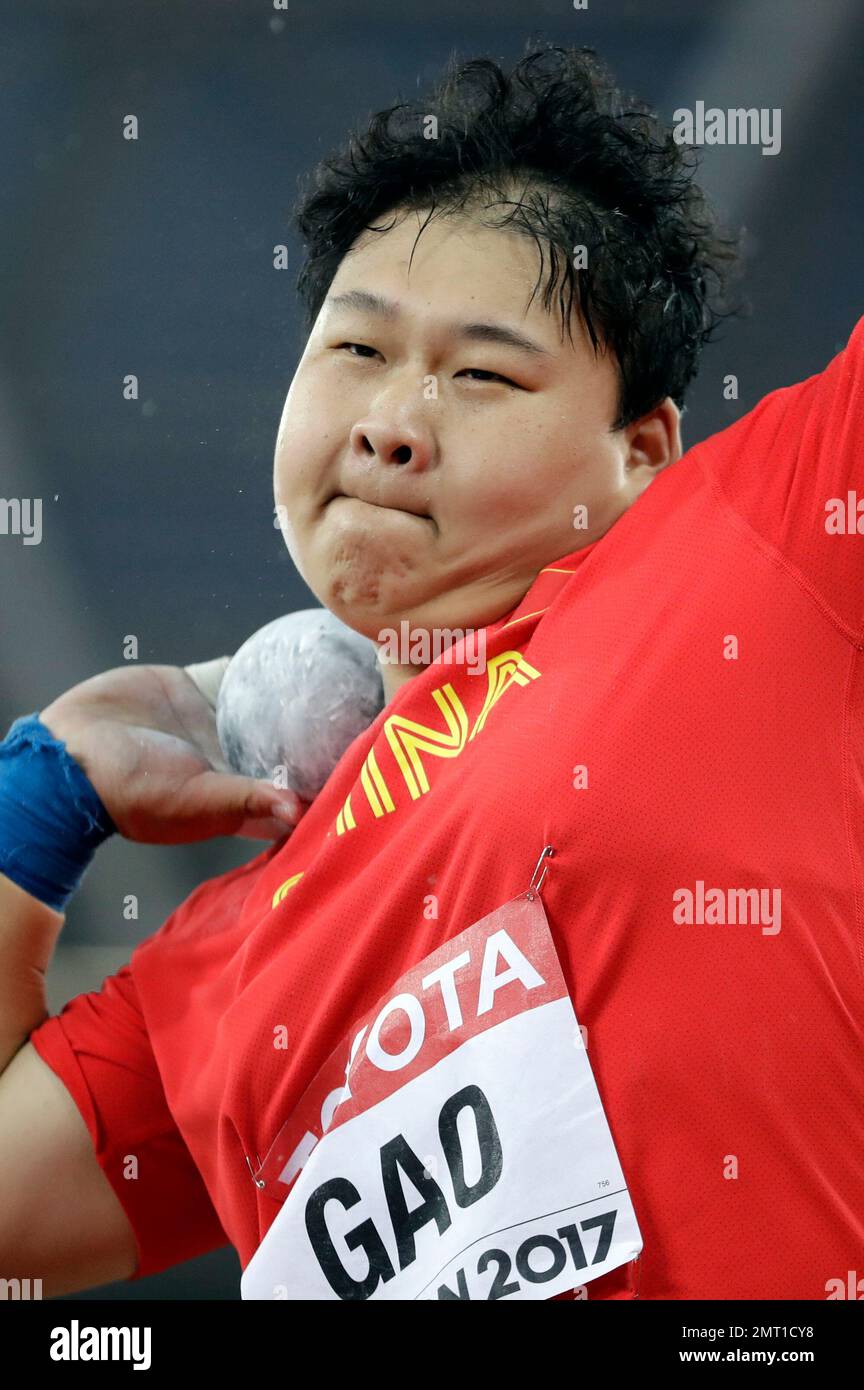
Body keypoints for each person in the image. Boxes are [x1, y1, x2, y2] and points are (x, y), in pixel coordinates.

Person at [1, 41, 862, 1301]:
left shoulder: (755, 547)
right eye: (354, 353)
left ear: (644, 449)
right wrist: (45, 789)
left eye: (481, 373)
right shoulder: (218, 972)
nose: (391, 423)